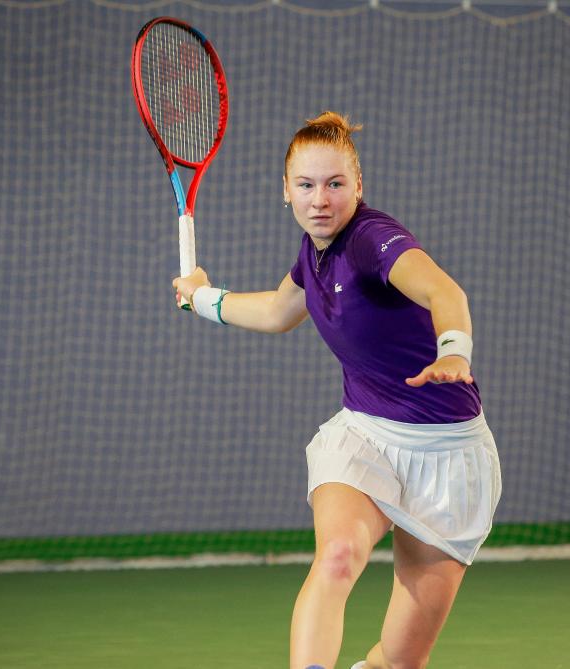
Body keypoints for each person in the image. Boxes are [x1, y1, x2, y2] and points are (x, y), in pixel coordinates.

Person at [172, 111, 502, 669]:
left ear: (358, 186)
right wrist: (204, 298)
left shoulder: (374, 240)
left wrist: (453, 351)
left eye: (334, 184)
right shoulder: (312, 251)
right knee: (339, 555)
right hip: (366, 437)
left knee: (399, 661)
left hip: (450, 459)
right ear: (286, 192)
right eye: (306, 185)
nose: (320, 199)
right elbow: (280, 311)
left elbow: (447, 291)